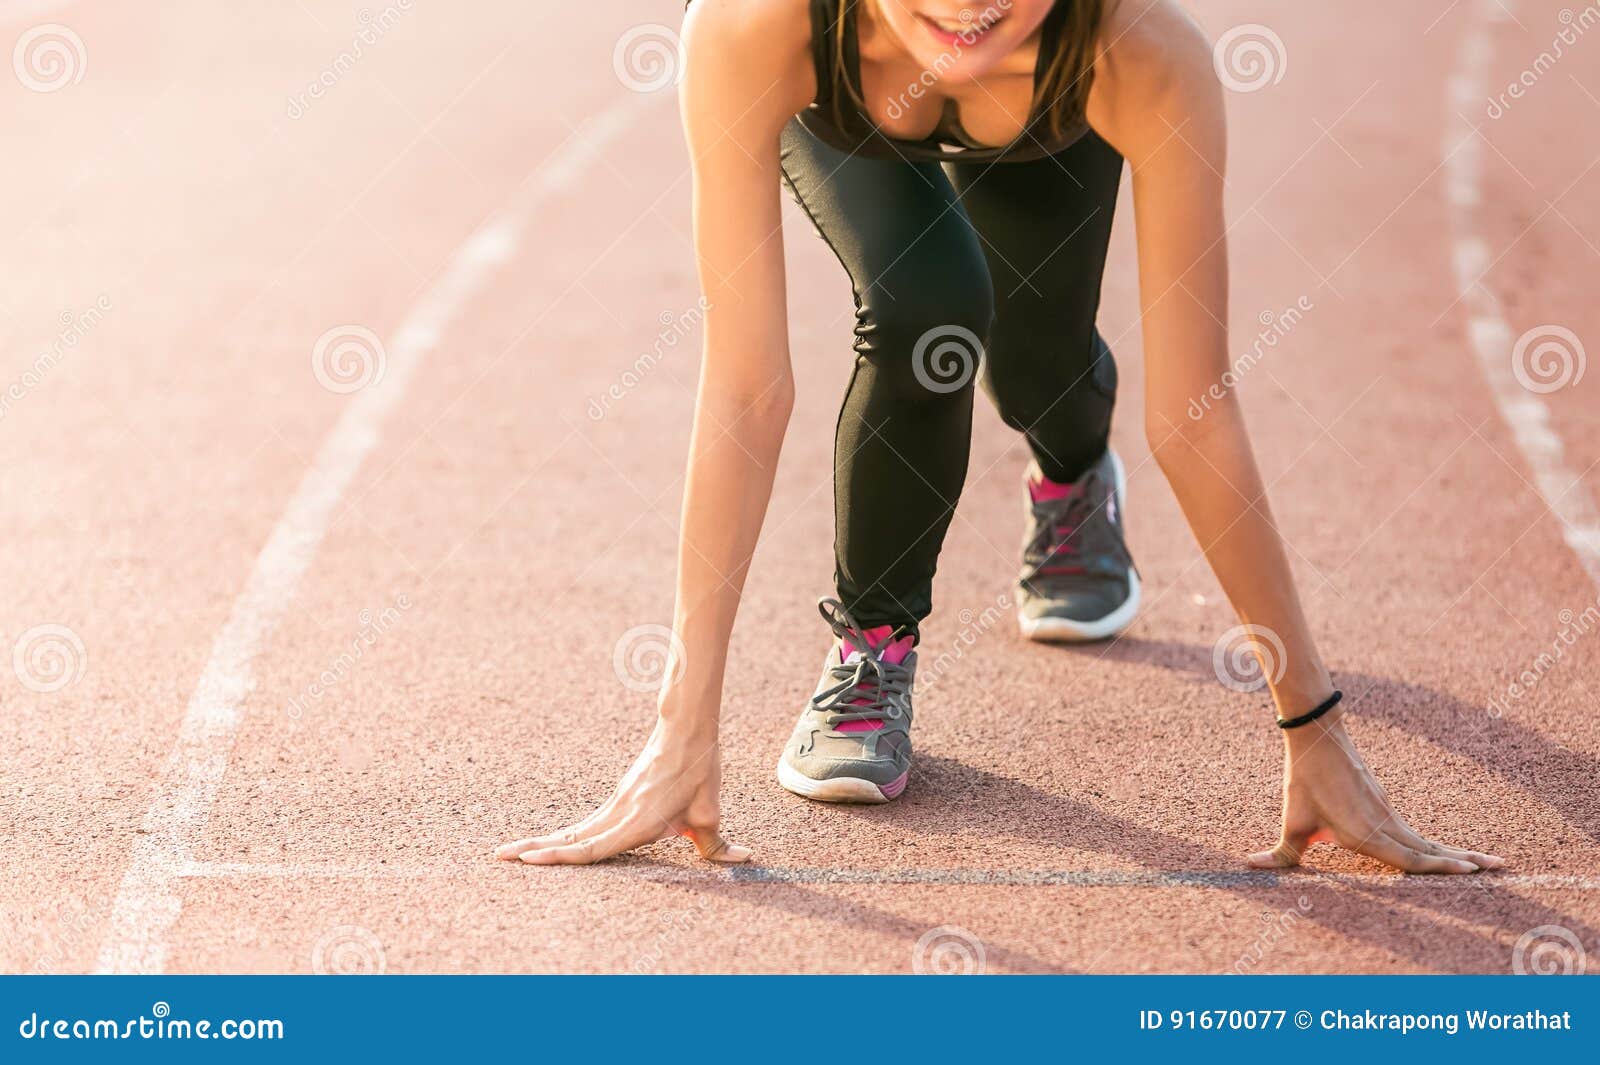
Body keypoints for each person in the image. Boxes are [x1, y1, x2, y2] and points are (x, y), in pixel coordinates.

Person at [497, 0, 1503, 873]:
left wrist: (1313, 731)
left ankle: (1070, 480)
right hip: (850, 104)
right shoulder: (755, 26)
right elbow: (747, 391)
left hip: (1049, 128)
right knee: (925, 314)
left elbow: (1194, 416)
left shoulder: (1141, 51)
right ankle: (873, 643)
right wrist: (682, 734)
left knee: (1039, 355)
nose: (965, 9)